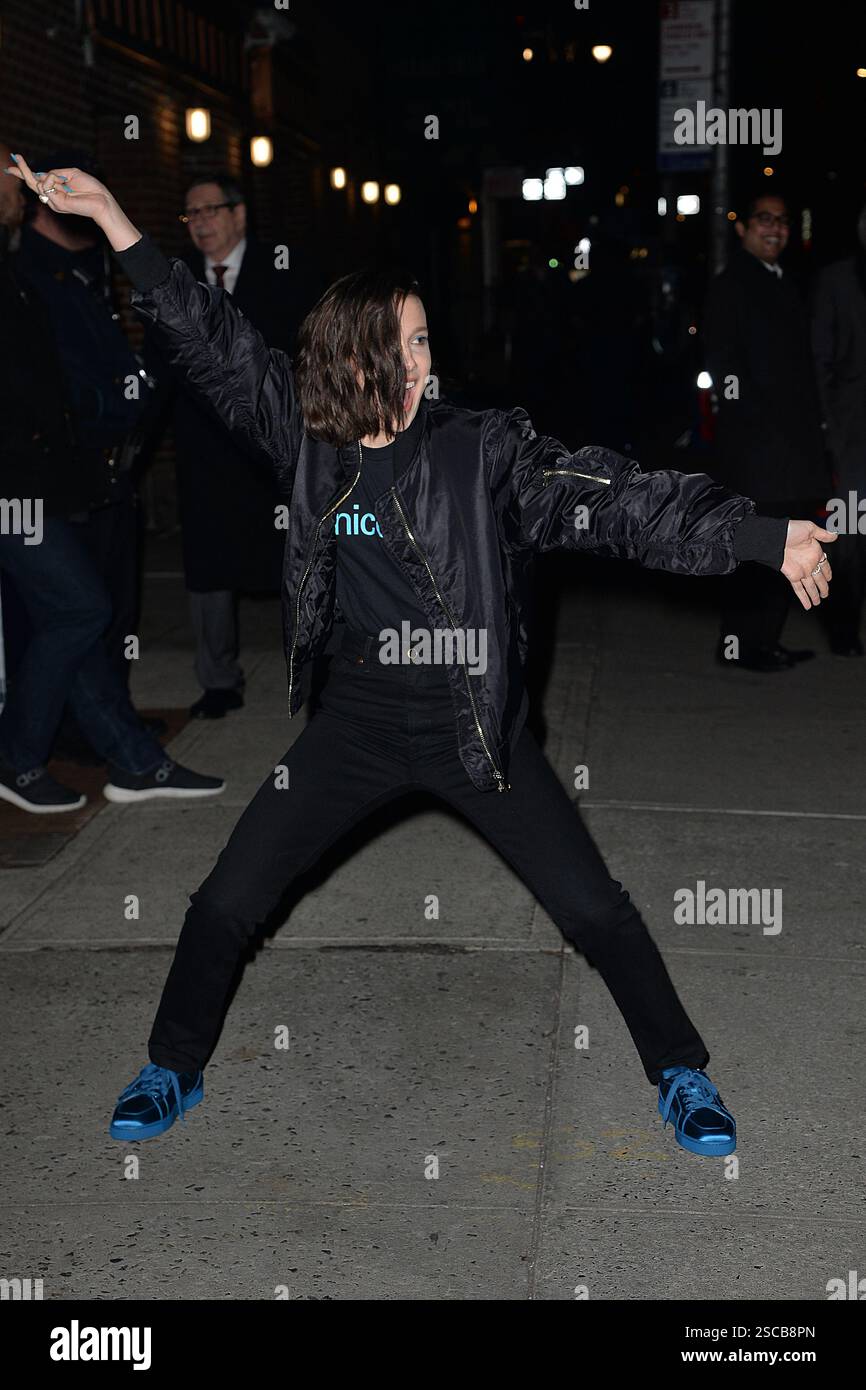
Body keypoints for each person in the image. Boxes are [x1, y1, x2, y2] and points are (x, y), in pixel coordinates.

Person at [6, 155, 835, 1158]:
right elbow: (205, 333)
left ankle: (679, 1072)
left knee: (594, 910)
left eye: (426, 339)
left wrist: (757, 535)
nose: (424, 360)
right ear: (353, 359)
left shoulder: (479, 449)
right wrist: (104, 214)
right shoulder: (305, 436)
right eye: (406, 342)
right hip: (352, 724)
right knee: (225, 898)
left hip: (473, 729)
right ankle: (170, 1065)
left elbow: (615, 498)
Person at [0, 146, 225, 812]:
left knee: (70, 613)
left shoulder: (19, 267)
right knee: (79, 610)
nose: (14, 174)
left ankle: (132, 762)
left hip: (38, 478)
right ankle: (21, 756)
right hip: (13, 486)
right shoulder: (20, 273)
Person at [164, 173, 322, 720]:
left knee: (294, 558)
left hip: (271, 445)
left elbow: (309, 352)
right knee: (208, 565)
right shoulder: (179, 279)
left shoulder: (285, 271)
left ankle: (314, 674)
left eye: (210, 210)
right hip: (204, 449)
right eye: (191, 214)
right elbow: (160, 362)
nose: (201, 223)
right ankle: (218, 680)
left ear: (238, 214)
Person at [704, 191, 831, 671]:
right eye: (764, 220)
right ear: (743, 228)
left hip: (792, 448)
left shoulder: (786, 282)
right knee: (758, 544)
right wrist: (750, 425)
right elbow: (723, 366)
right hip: (758, 449)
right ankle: (739, 644)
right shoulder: (732, 284)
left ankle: (765, 641)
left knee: (790, 540)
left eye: (781, 220)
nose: (774, 228)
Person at [811, 202, 866, 656]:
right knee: (851, 533)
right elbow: (820, 361)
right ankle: (844, 629)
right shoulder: (838, 280)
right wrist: (829, 429)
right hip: (853, 431)